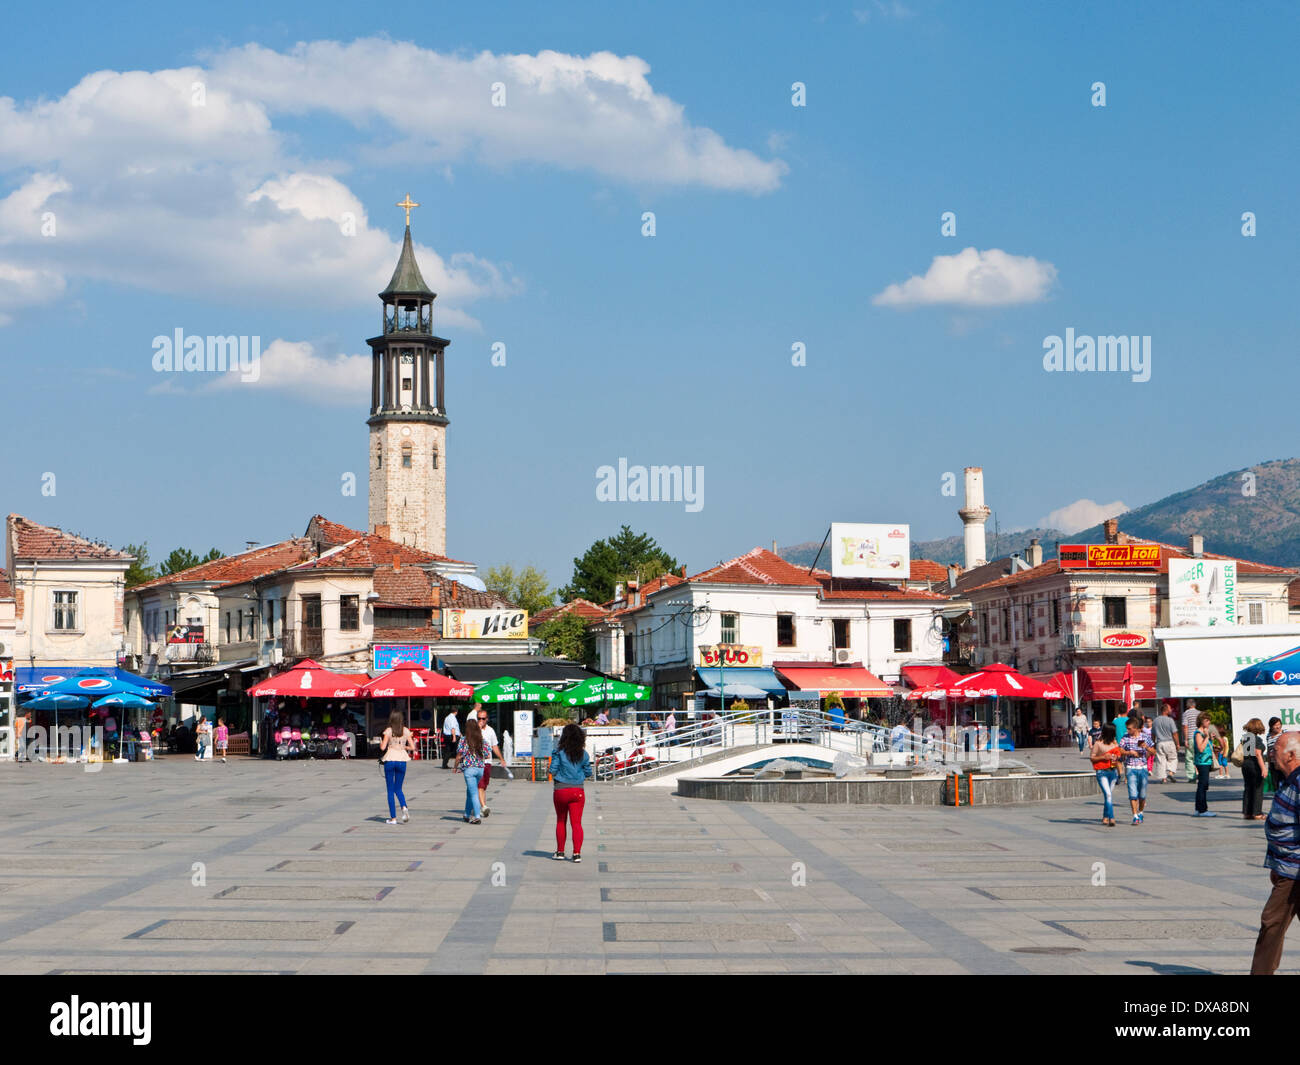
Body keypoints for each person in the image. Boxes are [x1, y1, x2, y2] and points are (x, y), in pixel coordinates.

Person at [1249, 732, 1300, 975]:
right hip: (1287, 869)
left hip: (1295, 872)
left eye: (1276, 749)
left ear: (1291, 755)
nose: (1271, 752)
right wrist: (1275, 865)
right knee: (1273, 925)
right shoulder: (1288, 781)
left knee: (1271, 924)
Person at [549, 723, 593, 862]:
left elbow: (552, 770)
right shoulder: (584, 754)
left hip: (561, 790)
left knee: (561, 821)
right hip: (577, 791)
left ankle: (560, 852)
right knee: (577, 823)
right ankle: (576, 854)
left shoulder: (558, 752)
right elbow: (588, 772)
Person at [468, 708, 512, 818]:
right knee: (480, 785)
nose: (481, 720)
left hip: (487, 762)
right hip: (476, 763)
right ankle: (483, 806)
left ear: (487, 719)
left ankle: (479, 806)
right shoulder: (474, 730)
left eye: (483, 718)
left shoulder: (490, 731)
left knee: (483, 786)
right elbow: (469, 744)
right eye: (479, 718)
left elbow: (494, 746)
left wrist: (501, 759)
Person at [379, 709, 414, 825]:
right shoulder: (406, 731)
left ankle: (393, 818)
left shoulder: (388, 731)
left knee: (390, 790)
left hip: (390, 759)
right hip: (402, 760)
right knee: (398, 788)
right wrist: (404, 747)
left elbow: (383, 747)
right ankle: (404, 807)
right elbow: (413, 747)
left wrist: (382, 742)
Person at [1119, 717, 1156, 825]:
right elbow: (1119, 749)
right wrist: (1129, 752)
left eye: (1130, 729)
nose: (1128, 731)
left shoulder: (1144, 737)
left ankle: (1140, 812)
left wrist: (1146, 747)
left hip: (1142, 768)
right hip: (1130, 768)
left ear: (1135, 728)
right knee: (1133, 793)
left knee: (1142, 795)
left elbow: (1154, 751)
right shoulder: (1125, 738)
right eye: (1127, 729)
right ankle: (1135, 816)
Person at [455, 718, 487, 824]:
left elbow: (459, 756)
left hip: (469, 769)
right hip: (480, 769)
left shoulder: (464, 740)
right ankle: (467, 814)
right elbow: (488, 754)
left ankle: (477, 816)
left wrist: (455, 767)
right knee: (470, 792)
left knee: (473, 793)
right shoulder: (481, 739)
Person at [1090, 724, 1122, 827]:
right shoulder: (1098, 744)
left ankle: (1105, 816)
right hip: (1102, 772)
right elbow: (1092, 757)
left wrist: (1116, 758)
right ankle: (1111, 817)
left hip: (1113, 772)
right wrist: (1103, 757)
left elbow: (1119, 757)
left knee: (1108, 796)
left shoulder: (1115, 743)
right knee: (1108, 795)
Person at [1241, 718, 1268, 821]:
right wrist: (1263, 768)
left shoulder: (1245, 737)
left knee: (1248, 789)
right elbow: (1258, 754)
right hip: (1254, 765)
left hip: (1245, 764)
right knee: (1258, 789)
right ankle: (1257, 813)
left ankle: (1247, 813)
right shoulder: (1257, 739)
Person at [1192, 712, 1217, 817]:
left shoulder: (1204, 733)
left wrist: (1212, 741)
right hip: (1202, 762)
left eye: (1209, 720)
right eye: (1207, 720)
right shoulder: (1198, 733)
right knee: (1203, 785)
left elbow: (1206, 747)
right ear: (1201, 721)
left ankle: (1199, 808)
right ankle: (1203, 810)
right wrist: (1207, 737)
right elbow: (1201, 748)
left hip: (1206, 761)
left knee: (1203, 785)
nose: (1209, 722)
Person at [1150, 704, 1181, 783]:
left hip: (1159, 742)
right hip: (1169, 742)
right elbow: (1175, 733)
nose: (1171, 710)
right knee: (1173, 758)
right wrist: (1177, 744)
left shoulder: (1155, 720)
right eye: (1170, 709)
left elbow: (1153, 734)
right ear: (1166, 710)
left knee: (1161, 760)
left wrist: (1153, 743)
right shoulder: (1170, 720)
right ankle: (1170, 772)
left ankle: (1163, 778)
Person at [1182, 700, 1201, 783]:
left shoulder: (1186, 713)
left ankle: (1192, 776)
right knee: (1199, 756)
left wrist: (1185, 739)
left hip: (1190, 737)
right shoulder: (1200, 713)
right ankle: (1201, 774)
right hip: (1200, 737)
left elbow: (1185, 726)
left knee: (1189, 758)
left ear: (1187, 705)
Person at [1266, 717, 1285, 794]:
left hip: (1283, 762)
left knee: (1284, 781)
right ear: (1271, 726)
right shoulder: (1268, 736)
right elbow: (1268, 749)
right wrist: (1269, 763)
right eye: (1276, 725)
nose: (1278, 726)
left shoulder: (1284, 733)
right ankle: (1278, 796)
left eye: (1279, 724)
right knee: (1275, 782)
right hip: (1273, 763)